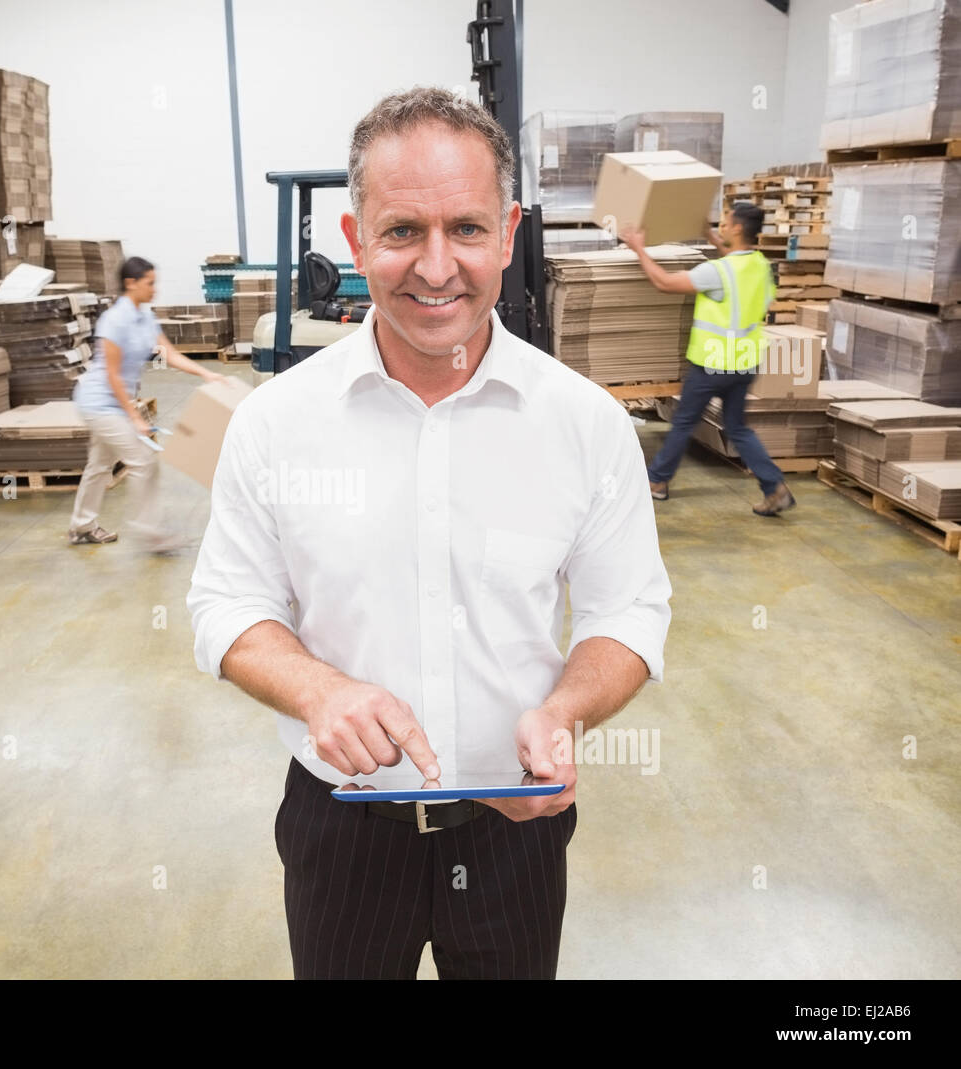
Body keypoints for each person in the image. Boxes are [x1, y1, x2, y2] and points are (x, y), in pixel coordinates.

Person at [187, 88, 671, 980]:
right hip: (343, 829)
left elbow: (628, 611)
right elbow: (228, 602)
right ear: (356, 235)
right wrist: (318, 691)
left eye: (468, 229)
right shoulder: (277, 422)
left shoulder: (583, 424)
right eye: (403, 231)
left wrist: (565, 710)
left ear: (510, 230)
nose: (437, 266)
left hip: (514, 834)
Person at [620, 204, 796, 516]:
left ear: (738, 229)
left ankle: (657, 481)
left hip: (712, 363)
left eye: (725, 223)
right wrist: (709, 235)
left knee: (684, 421)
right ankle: (774, 487)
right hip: (745, 362)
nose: (721, 226)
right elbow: (735, 266)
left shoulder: (717, 271)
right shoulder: (761, 266)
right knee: (737, 428)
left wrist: (639, 250)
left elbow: (664, 283)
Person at [68, 256, 226, 550]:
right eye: (150, 283)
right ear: (131, 283)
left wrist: (206, 373)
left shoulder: (145, 317)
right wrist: (136, 417)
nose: (155, 289)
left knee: (99, 466)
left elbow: (170, 355)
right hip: (99, 403)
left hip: (114, 403)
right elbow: (112, 375)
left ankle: (81, 526)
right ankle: (150, 532)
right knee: (143, 460)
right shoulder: (114, 320)